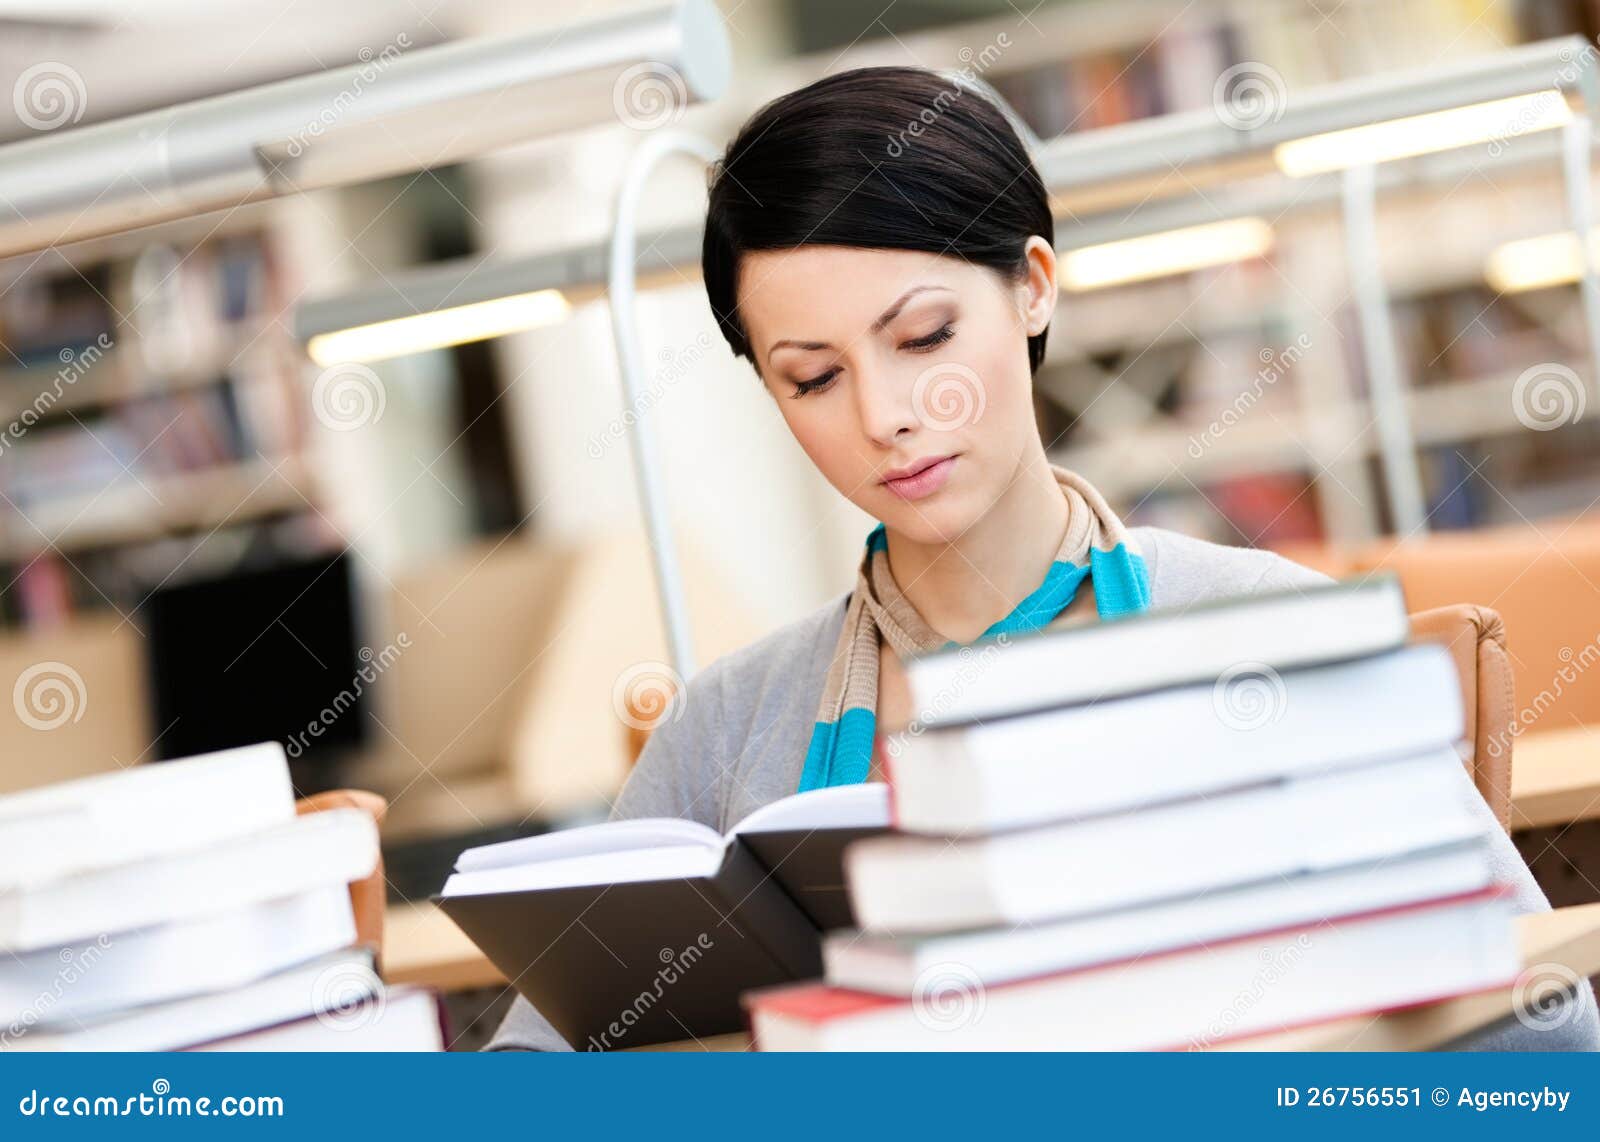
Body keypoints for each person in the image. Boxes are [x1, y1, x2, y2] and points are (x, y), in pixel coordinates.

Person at [487, 66, 1599, 1051]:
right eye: (812, 377)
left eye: (922, 337)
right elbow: (529, 1073)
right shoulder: (722, 729)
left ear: (1032, 284)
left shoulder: (1270, 634)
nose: (886, 415)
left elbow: (1544, 1029)